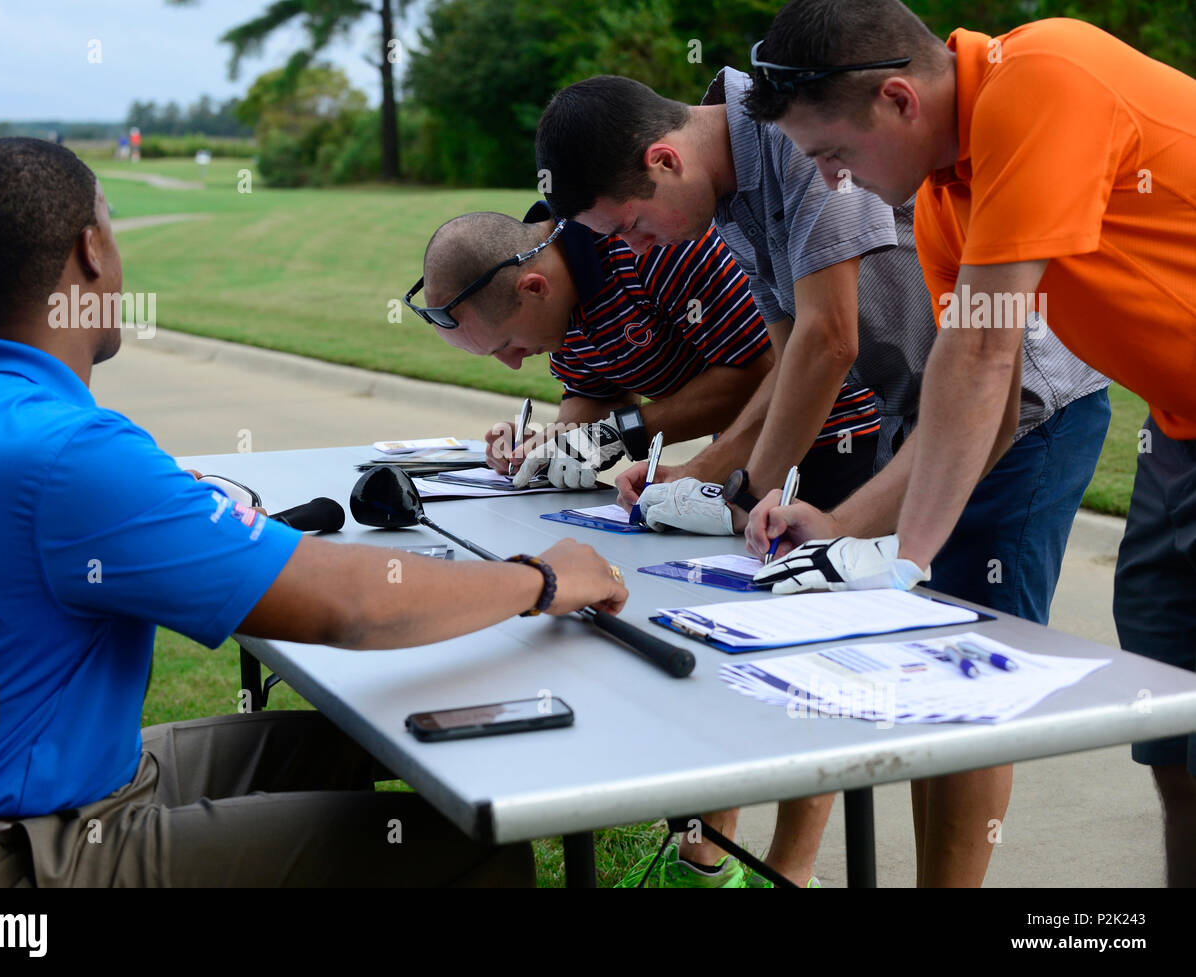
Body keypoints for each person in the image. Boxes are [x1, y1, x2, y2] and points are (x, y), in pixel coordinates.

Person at [0, 137, 628, 888]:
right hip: (8, 857)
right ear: (91, 251)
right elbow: (351, 607)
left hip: (41, 778)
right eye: (111, 231)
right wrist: (539, 578)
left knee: (359, 740)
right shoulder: (68, 453)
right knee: (475, 849)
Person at [535, 69, 1110, 886]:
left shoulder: (793, 136)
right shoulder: (724, 189)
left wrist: (737, 493)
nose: (632, 249)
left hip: (1024, 404)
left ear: (665, 160)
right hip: (923, 409)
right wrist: (715, 473)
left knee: (968, 679)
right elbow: (790, 354)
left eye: (627, 227)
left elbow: (833, 339)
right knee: (899, 647)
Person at [746, 0, 1196, 886]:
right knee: (1176, 745)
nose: (834, 183)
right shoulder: (945, 203)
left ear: (900, 100)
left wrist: (904, 570)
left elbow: (983, 351)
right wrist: (846, 528)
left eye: (834, 154)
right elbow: (985, 410)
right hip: (1178, 439)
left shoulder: (1046, 75)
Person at [413, 201, 881, 513]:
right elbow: (591, 393)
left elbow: (756, 371)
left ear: (535, 288)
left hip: (838, 438)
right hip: (746, 447)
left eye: (506, 346)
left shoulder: (650, 247)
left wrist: (618, 436)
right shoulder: (555, 305)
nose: (514, 364)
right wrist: (549, 445)